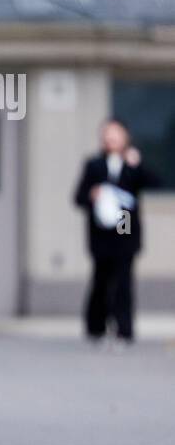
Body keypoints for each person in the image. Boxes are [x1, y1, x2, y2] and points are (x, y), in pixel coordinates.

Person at [72, 119, 160, 346]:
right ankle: (96, 328)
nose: (111, 138)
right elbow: (79, 197)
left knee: (122, 280)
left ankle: (124, 329)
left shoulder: (132, 163)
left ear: (125, 137)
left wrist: (136, 165)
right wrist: (92, 195)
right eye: (107, 134)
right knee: (101, 278)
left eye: (115, 134)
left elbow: (154, 182)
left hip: (124, 223)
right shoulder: (94, 165)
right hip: (101, 229)